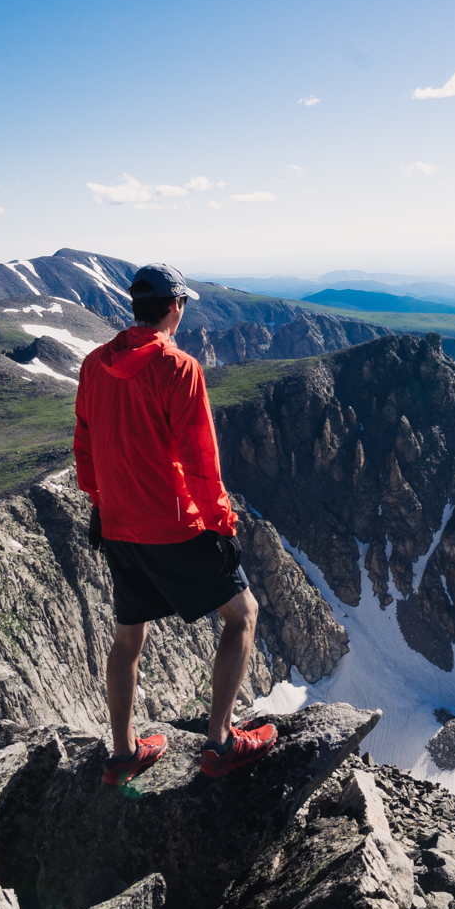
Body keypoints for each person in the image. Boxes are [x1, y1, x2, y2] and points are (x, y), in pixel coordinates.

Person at [73, 262, 278, 787]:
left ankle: (123, 754)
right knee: (243, 614)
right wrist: (223, 524)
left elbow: (87, 446)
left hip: (118, 525)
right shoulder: (179, 368)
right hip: (174, 524)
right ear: (175, 308)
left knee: (127, 639)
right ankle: (221, 742)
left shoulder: (95, 365)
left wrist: (100, 502)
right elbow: (201, 459)